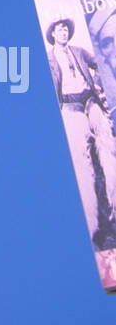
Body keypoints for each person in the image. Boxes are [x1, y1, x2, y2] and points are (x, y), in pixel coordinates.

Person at [46, 18, 116, 242]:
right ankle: (93, 226)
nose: (64, 32)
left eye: (66, 28)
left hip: (90, 102)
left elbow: (99, 62)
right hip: (70, 107)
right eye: (60, 29)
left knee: (109, 150)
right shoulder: (48, 58)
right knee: (83, 166)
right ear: (53, 34)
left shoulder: (79, 51)